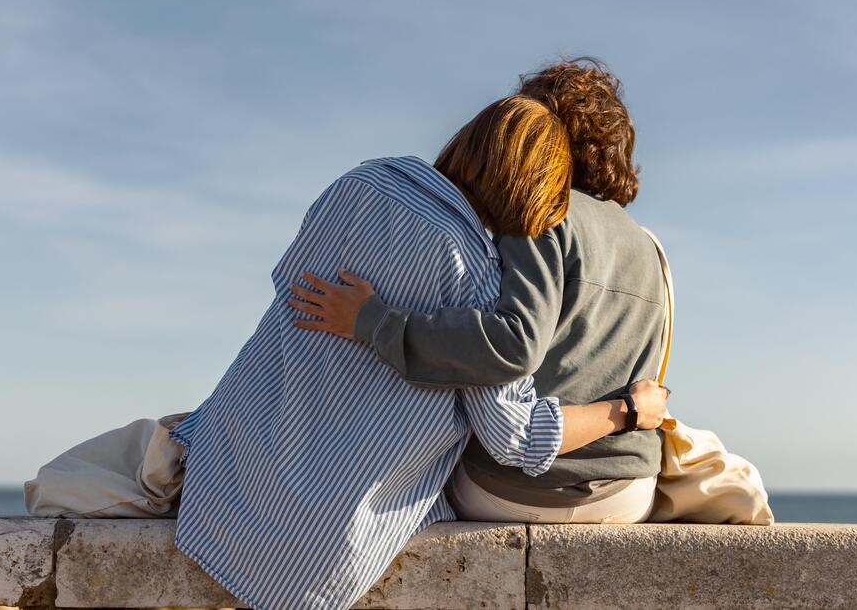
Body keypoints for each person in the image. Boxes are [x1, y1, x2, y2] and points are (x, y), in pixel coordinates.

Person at [168, 93, 669, 610]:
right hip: (321, 536)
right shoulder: (477, 274)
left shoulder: (363, 180)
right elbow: (512, 438)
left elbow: (288, 280)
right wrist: (626, 410)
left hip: (227, 480)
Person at [294, 57, 671, 524]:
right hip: (630, 489)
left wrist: (371, 321)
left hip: (522, 489)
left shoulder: (537, 212)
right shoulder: (649, 244)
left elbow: (511, 344)